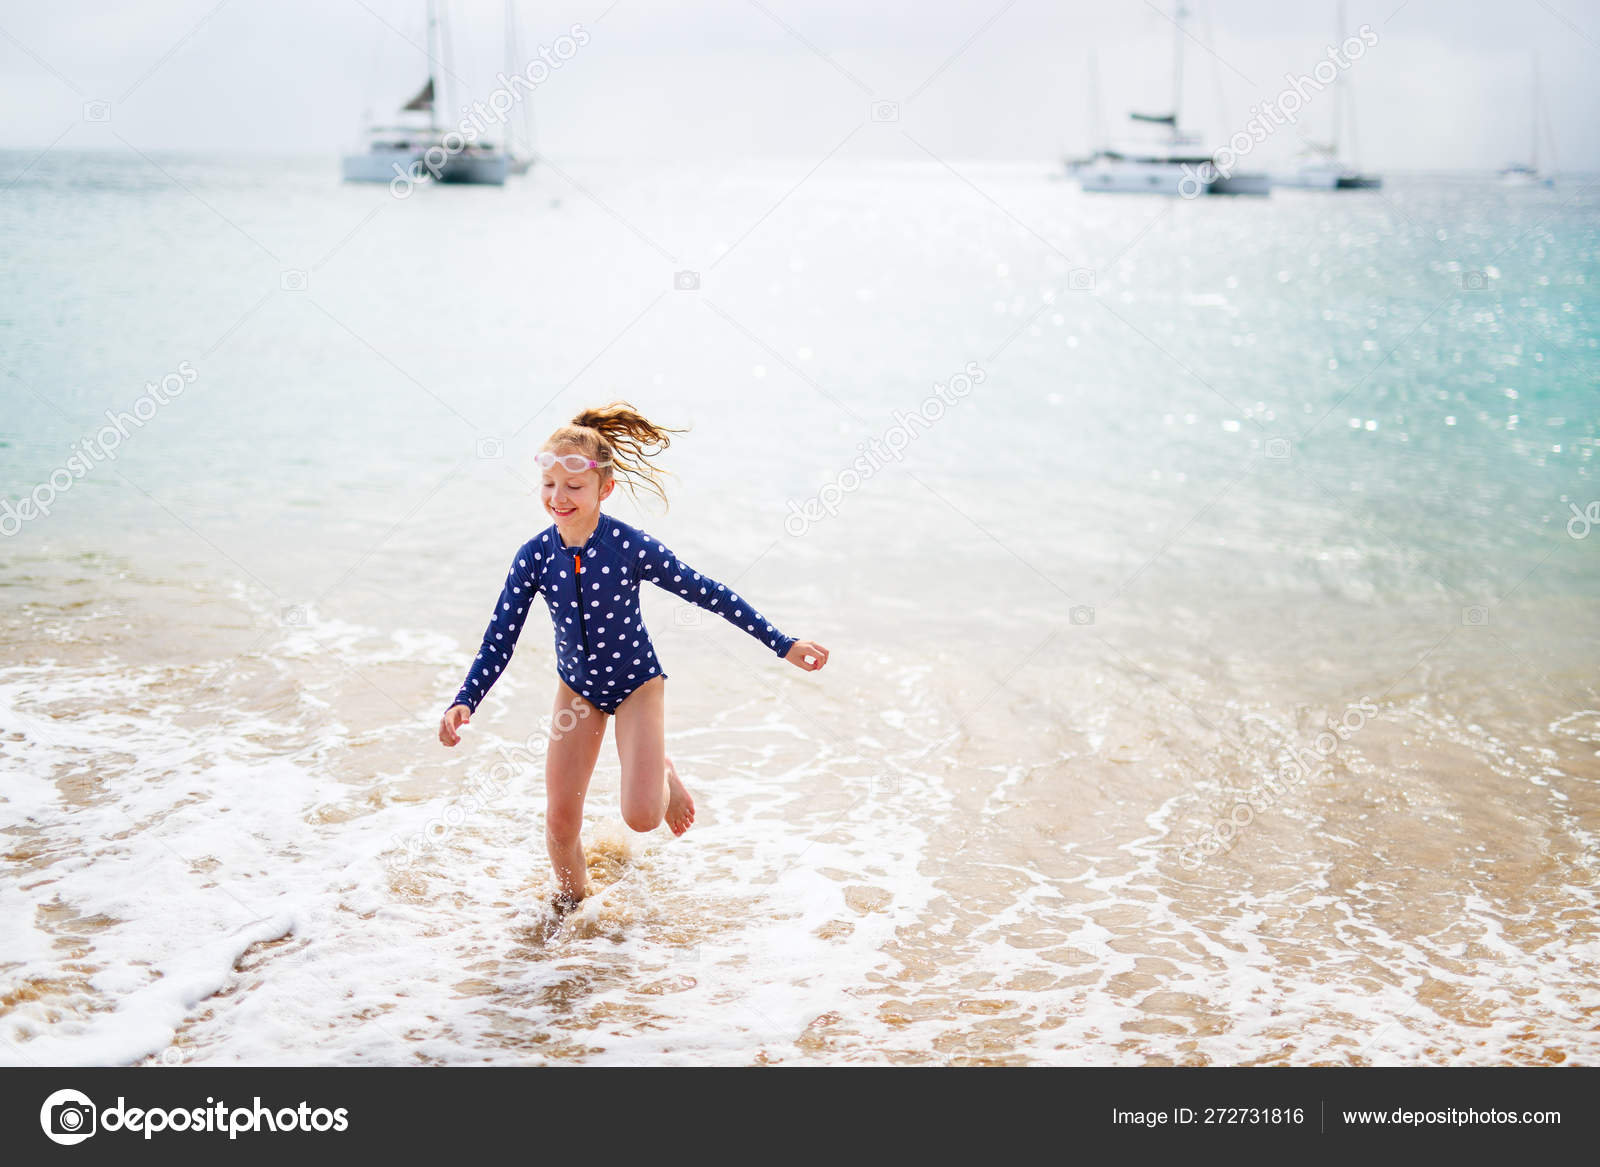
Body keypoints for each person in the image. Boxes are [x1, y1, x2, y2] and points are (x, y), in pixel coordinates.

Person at [438, 402, 828, 912]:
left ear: (604, 489)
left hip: (637, 685)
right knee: (559, 823)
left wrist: (783, 643)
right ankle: (572, 914)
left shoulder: (627, 546)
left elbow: (707, 592)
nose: (559, 498)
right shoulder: (534, 555)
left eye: (574, 487)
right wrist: (465, 699)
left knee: (643, 817)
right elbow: (500, 637)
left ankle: (662, 774)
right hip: (577, 691)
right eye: (549, 485)